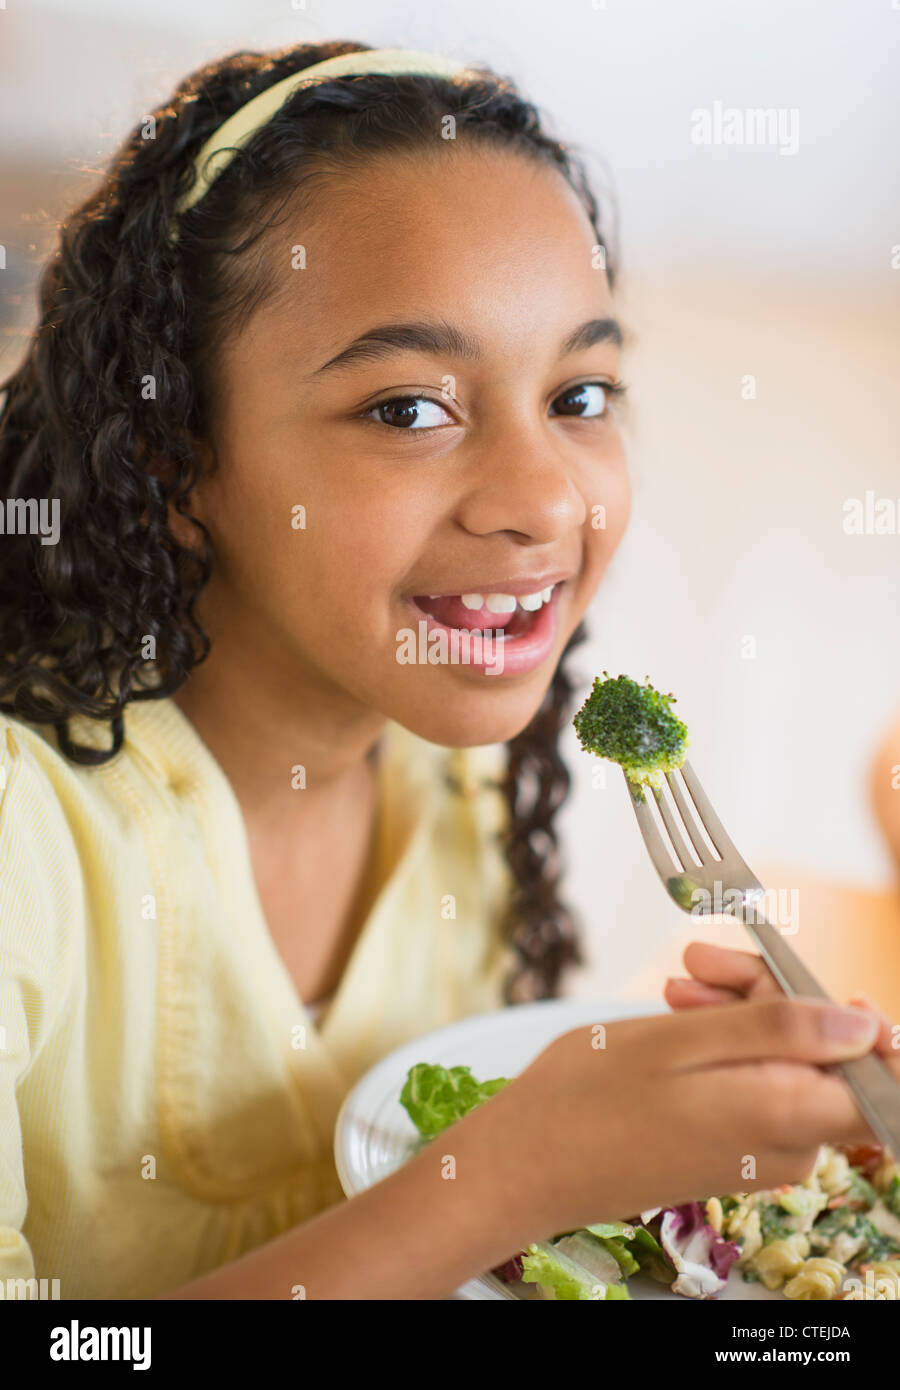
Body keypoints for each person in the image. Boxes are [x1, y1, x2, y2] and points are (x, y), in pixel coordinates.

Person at [0, 41, 895, 1302]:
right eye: (411, 408)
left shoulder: (453, 786)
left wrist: (667, 1131)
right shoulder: (24, 848)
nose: (544, 499)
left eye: (580, 392)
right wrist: (509, 1171)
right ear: (170, 460)